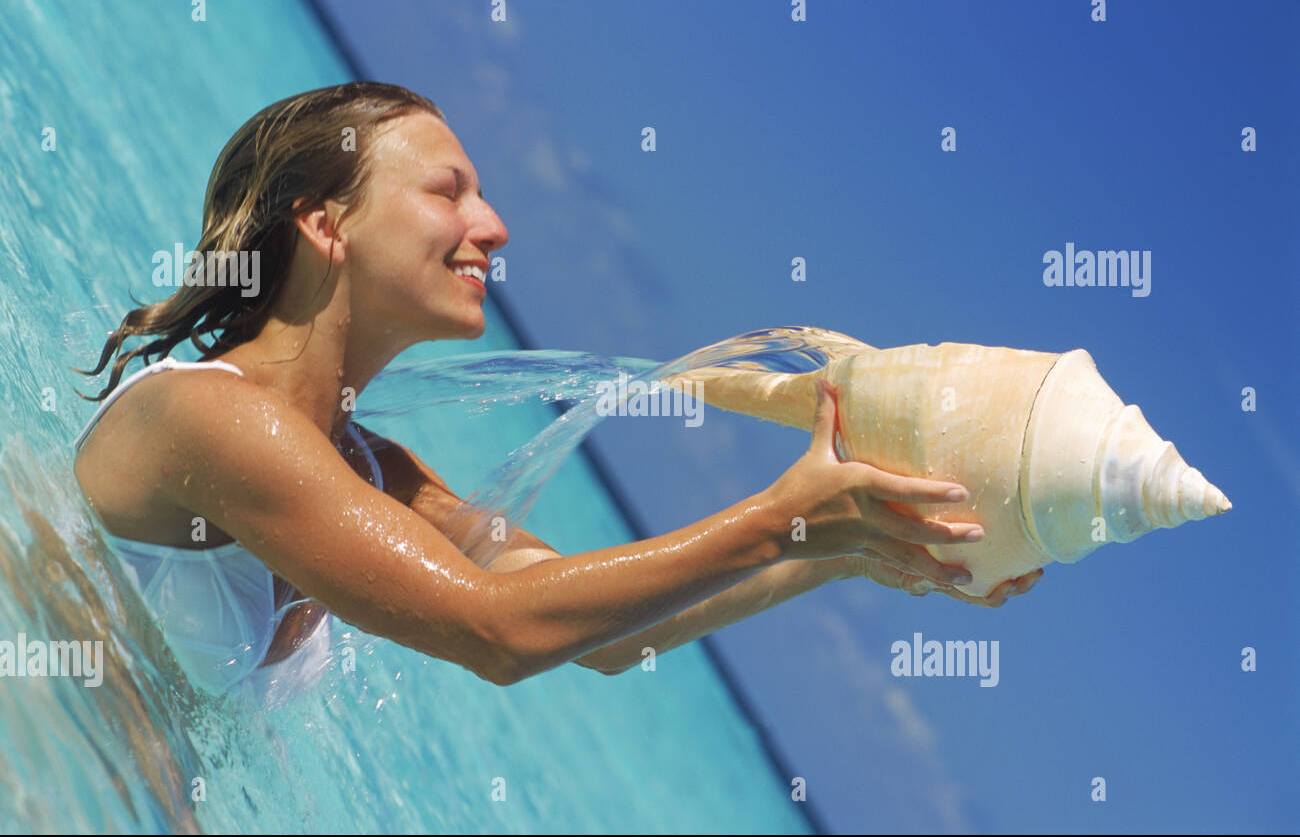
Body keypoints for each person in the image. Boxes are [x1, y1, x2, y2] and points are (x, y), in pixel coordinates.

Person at [71, 82, 1041, 695]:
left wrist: (838, 547)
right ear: (326, 224)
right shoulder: (213, 418)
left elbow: (604, 636)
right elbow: (494, 631)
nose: (492, 225)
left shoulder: (372, 468)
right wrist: (772, 517)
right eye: (447, 191)